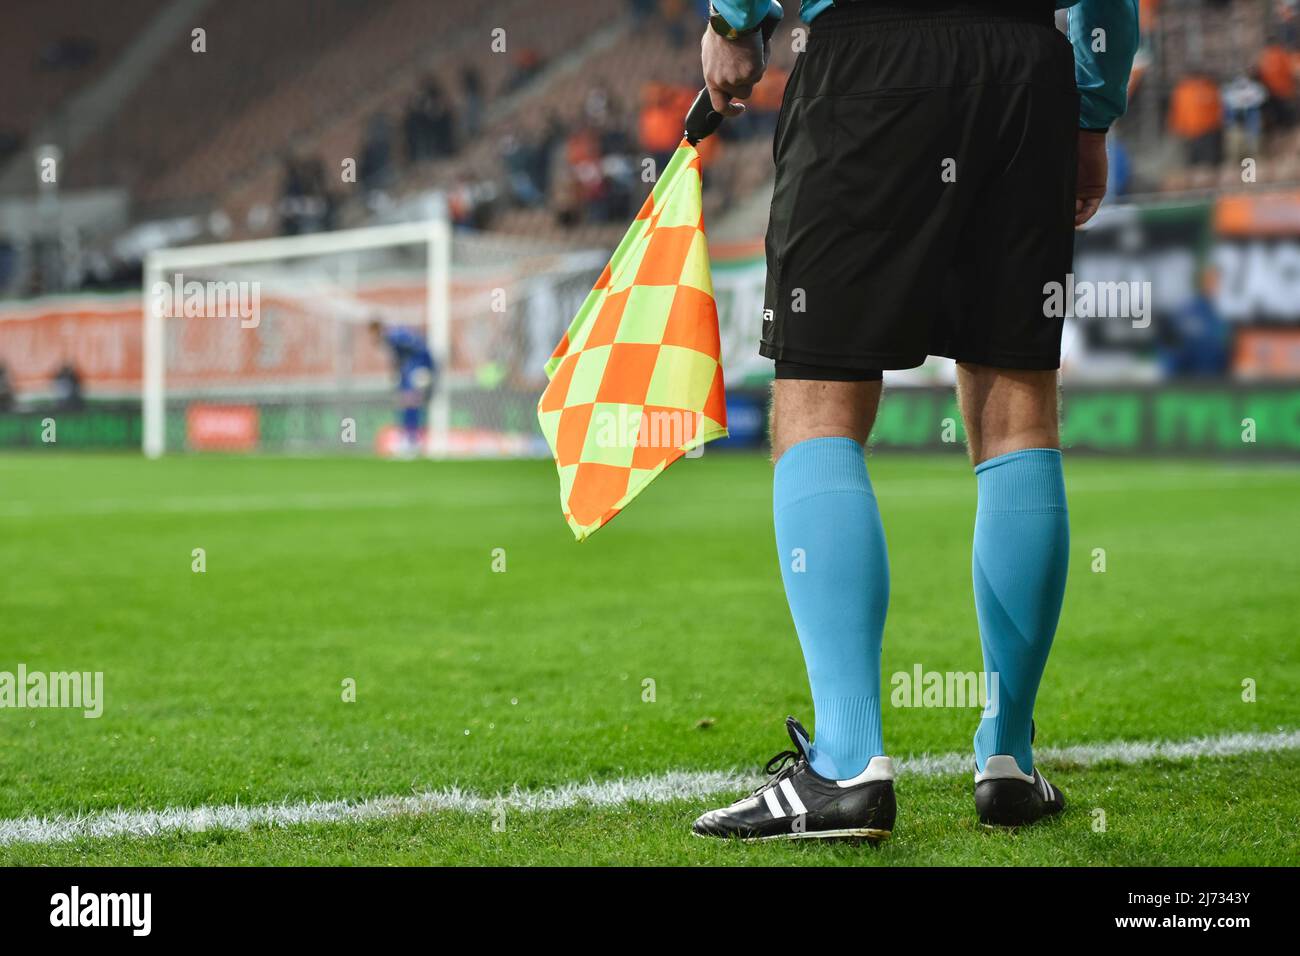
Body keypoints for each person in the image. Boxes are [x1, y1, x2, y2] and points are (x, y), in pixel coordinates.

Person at [692, 0, 1137, 842]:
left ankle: (849, 765)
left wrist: (737, 19)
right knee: (1018, 413)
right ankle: (1007, 756)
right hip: (1023, 65)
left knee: (819, 402)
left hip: (874, 59)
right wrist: (1090, 107)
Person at [368, 317, 436, 458]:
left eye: (372, 334)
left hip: (417, 370)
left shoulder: (395, 336)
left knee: (410, 404)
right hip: (408, 372)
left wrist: (425, 368)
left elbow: (420, 348)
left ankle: (411, 441)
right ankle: (408, 438)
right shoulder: (391, 339)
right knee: (407, 404)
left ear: (377, 330)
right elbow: (398, 359)